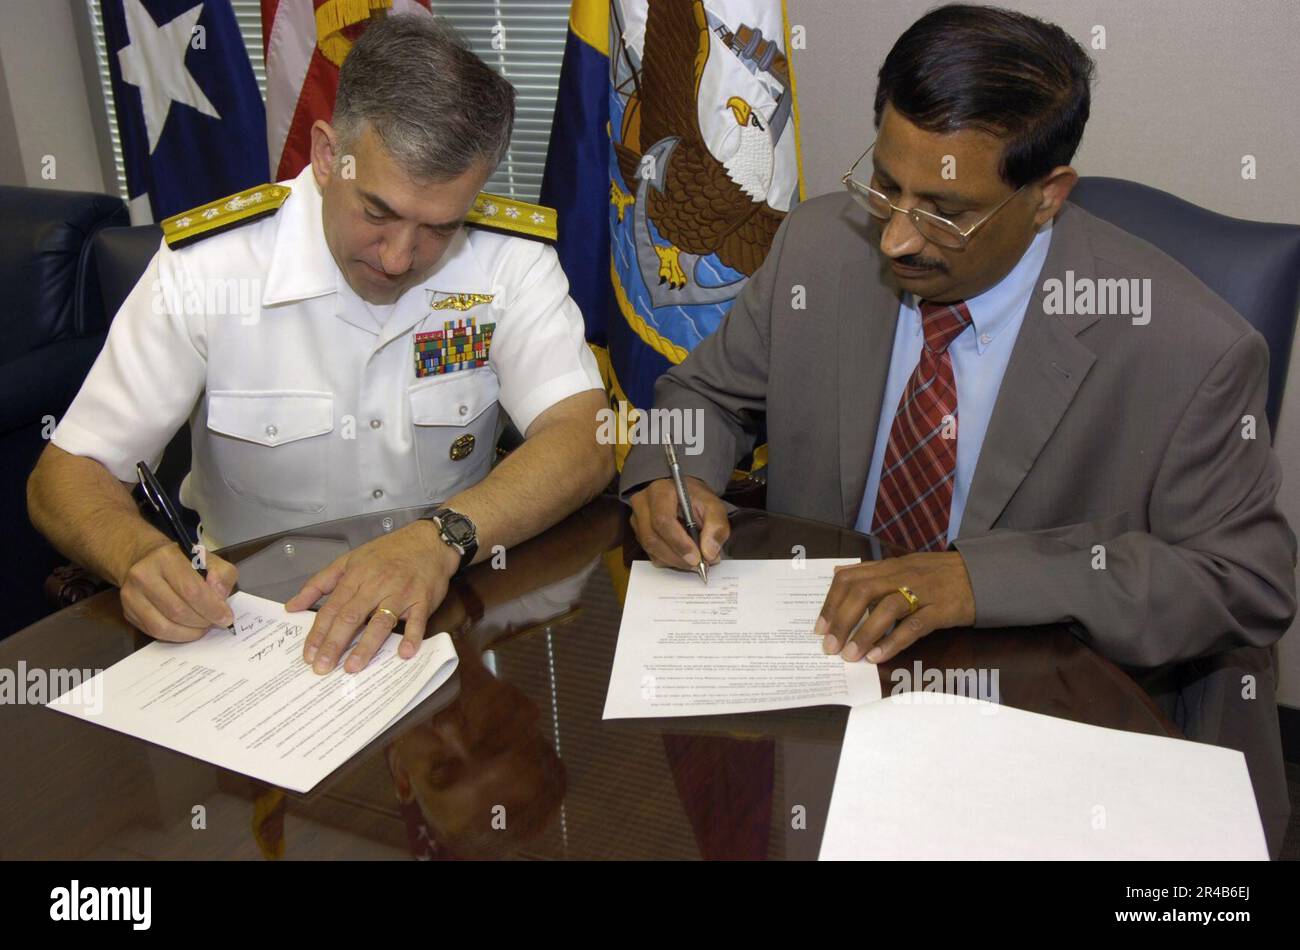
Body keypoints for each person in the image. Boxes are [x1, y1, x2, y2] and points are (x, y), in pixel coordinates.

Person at [620, 4, 1295, 853]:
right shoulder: (818, 249)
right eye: (887, 187)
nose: (897, 238)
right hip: (815, 695)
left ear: (1047, 196)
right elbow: (703, 396)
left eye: (945, 211)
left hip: (1035, 734)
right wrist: (665, 475)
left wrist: (977, 580)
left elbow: (1245, 582)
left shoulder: (1191, 349)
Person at [27, 14, 613, 676]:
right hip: (252, 632)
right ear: (330, 155)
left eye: (438, 228)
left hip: (447, 611)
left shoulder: (509, 260)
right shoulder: (210, 268)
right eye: (379, 213)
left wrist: (441, 538)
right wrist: (136, 557)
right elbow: (67, 475)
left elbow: (587, 436)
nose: (398, 258)